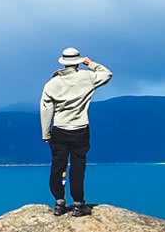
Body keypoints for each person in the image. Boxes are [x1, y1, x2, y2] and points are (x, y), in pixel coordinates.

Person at [40, 47, 112, 216]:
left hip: (59, 129)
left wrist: (46, 133)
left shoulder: (52, 83)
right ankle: (79, 204)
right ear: (78, 61)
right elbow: (107, 74)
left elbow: (45, 109)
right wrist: (90, 63)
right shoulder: (87, 77)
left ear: (63, 62)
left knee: (59, 165)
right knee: (78, 166)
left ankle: (59, 202)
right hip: (80, 130)